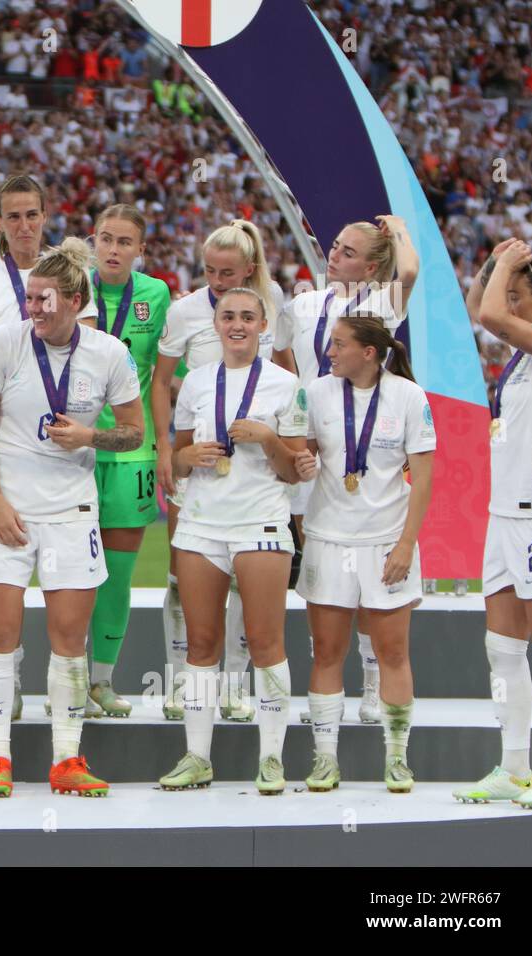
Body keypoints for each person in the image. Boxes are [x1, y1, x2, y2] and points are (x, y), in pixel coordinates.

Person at [0, 239, 144, 798]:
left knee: (70, 639)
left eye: (45, 300)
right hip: (8, 510)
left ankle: (66, 757)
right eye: (30, 298)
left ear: (74, 299)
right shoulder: (2, 343)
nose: (34, 309)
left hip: (72, 511)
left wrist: (90, 437)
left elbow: (135, 432)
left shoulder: (110, 353)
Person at [157, 288, 311, 795]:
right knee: (201, 644)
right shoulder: (196, 382)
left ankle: (271, 758)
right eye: (229, 316)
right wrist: (189, 456)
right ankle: (197, 757)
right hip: (202, 523)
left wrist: (268, 439)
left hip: (261, 522)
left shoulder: (288, 385)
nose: (238, 324)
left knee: (266, 643)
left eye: (248, 316)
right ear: (217, 324)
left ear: (263, 325)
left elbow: (294, 473)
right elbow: (177, 462)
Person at [0, 176, 101, 719]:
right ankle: (8, 683)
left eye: (32, 215)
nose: (23, 226)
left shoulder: (69, 274)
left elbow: (84, 352)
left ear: (46, 216)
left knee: (70, 592)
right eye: (12, 216)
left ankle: (70, 700)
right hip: (1, 435)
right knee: (2, 586)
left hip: (62, 450)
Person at [151, 220, 294, 722]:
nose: (214, 279)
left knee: (244, 587)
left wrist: (286, 434)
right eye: (209, 270)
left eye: (226, 271)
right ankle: (178, 681)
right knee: (181, 575)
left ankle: (234, 683)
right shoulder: (185, 310)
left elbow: (286, 370)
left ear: (249, 270)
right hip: (199, 462)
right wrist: (167, 451)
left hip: (254, 479)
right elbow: (162, 381)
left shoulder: (271, 301)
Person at [288, 216, 420, 726]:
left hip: (359, 449)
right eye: (334, 246)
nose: (333, 255)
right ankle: (326, 689)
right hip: (315, 440)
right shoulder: (304, 304)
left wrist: (401, 231)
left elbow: (407, 272)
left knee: (369, 577)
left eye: (346, 252)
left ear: (369, 267)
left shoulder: (374, 307)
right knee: (320, 571)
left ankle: (371, 680)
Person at [299, 313, 434, 793]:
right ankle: (324, 759)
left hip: (385, 543)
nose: (329, 352)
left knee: (393, 651)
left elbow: (423, 479)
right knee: (327, 652)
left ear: (369, 353)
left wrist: (405, 545)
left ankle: (397, 758)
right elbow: (303, 459)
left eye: (338, 345)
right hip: (329, 539)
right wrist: (296, 460)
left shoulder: (407, 397)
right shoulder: (315, 394)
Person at [455, 241, 532, 809]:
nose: (506, 306)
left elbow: (490, 315)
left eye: (519, 296)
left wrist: (507, 277)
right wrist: (498, 266)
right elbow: (479, 307)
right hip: (503, 513)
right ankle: (514, 767)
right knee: (503, 648)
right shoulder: (525, 352)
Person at [83, 204, 171, 718]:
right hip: (76, 451)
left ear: (141, 250)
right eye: (106, 239)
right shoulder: (74, 285)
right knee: (70, 571)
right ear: (93, 241)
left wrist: (165, 446)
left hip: (132, 452)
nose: (113, 250)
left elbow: (161, 377)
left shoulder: (157, 295)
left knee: (117, 574)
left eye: (124, 242)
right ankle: (67, 677)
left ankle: (101, 681)